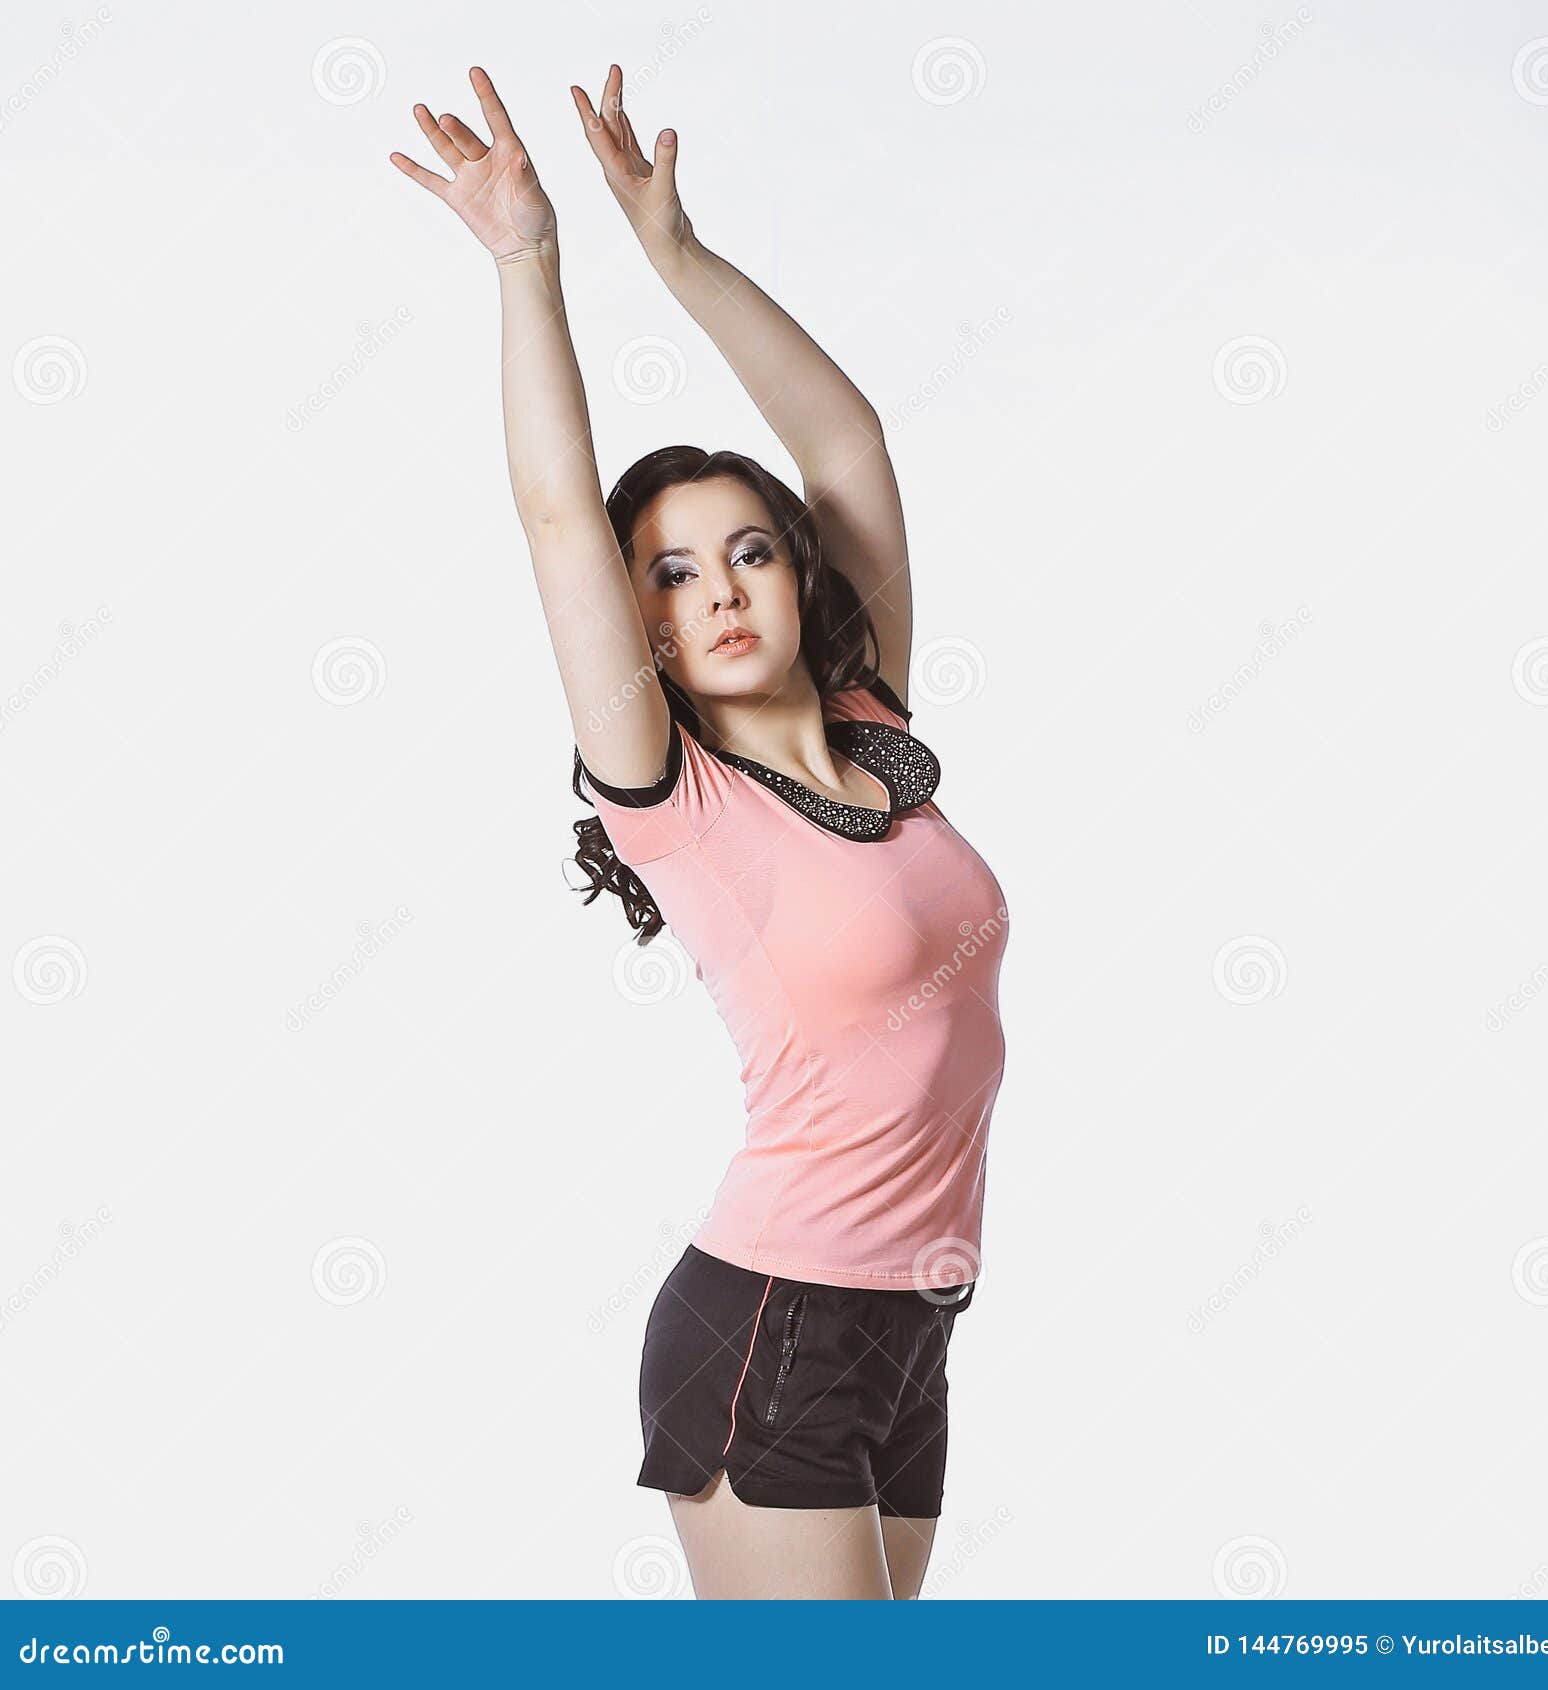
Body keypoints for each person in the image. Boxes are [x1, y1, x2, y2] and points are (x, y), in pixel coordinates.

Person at [390, 64, 1009, 1599]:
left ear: (800, 580)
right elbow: (553, 521)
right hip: (773, 1324)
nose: (717, 589)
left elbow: (850, 445)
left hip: (912, 1320)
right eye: (668, 577)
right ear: (648, 637)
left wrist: (677, 258)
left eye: (747, 552)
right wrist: (534, 266)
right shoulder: (679, 798)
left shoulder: (879, 731)